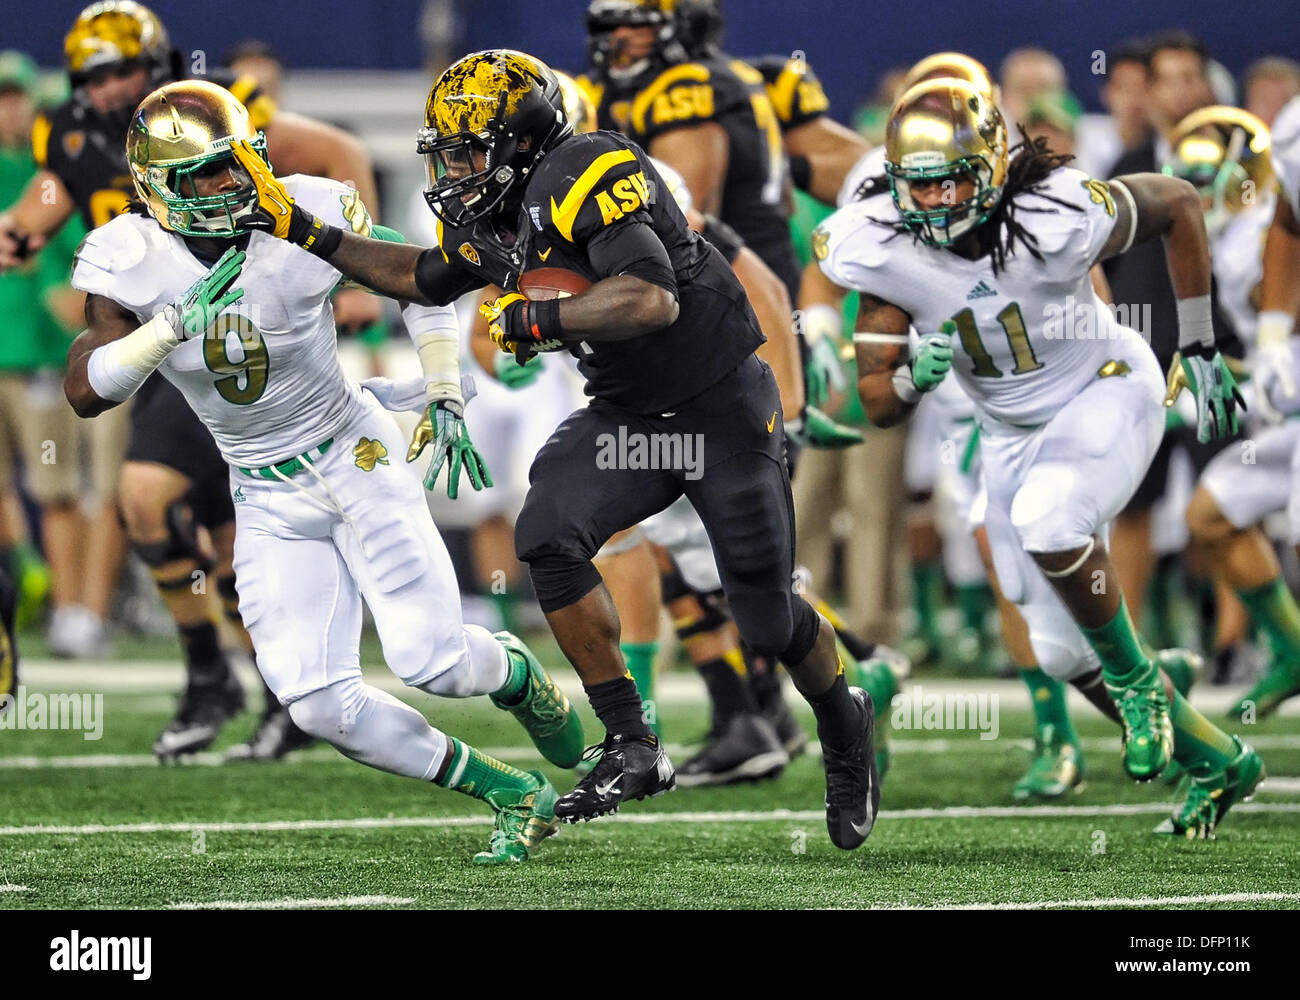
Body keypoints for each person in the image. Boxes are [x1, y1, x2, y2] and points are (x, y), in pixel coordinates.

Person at [236, 49, 880, 848]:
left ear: (521, 140)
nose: (457, 169)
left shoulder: (588, 167)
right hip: (630, 417)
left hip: (719, 408)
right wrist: (302, 230)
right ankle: (632, 742)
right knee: (546, 534)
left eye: (470, 150)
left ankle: (843, 714)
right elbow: (423, 276)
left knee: (764, 613)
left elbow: (650, 297)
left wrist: (543, 321)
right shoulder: (488, 213)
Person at [64, 79, 583, 864]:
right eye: (206, 173)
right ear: (157, 186)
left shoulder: (302, 209)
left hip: (354, 450)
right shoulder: (127, 257)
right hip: (263, 490)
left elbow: (418, 280)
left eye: (239, 162)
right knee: (314, 703)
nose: (232, 185)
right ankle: (511, 792)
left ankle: (515, 673)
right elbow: (82, 388)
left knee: (431, 662)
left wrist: (443, 384)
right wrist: (162, 331)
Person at [817, 76, 1261, 838]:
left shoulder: (1053, 211)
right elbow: (878, 401)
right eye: (916, 188)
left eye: (950, 179)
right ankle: (1221, 760)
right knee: (1057, 652)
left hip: (1106, 386)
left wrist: (1198, 340)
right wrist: (905, 378)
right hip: (1010, 433)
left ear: (990, 166)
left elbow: (1181, 203)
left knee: (1050, 518)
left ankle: (1139, 683)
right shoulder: (880, 249)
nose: (934, 203)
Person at [0, 1, 376, 760]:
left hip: (248, 328)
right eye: (93, 74)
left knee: (172, 505)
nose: (110, 88)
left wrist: (357, 268)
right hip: (169, 342)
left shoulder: (211, 107)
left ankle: (240, 682)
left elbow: (338, 153)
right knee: (186, 520)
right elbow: (43, 200)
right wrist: (18, 230)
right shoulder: (73, 133)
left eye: (123, 70)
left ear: (157, 60)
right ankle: (236, 681)